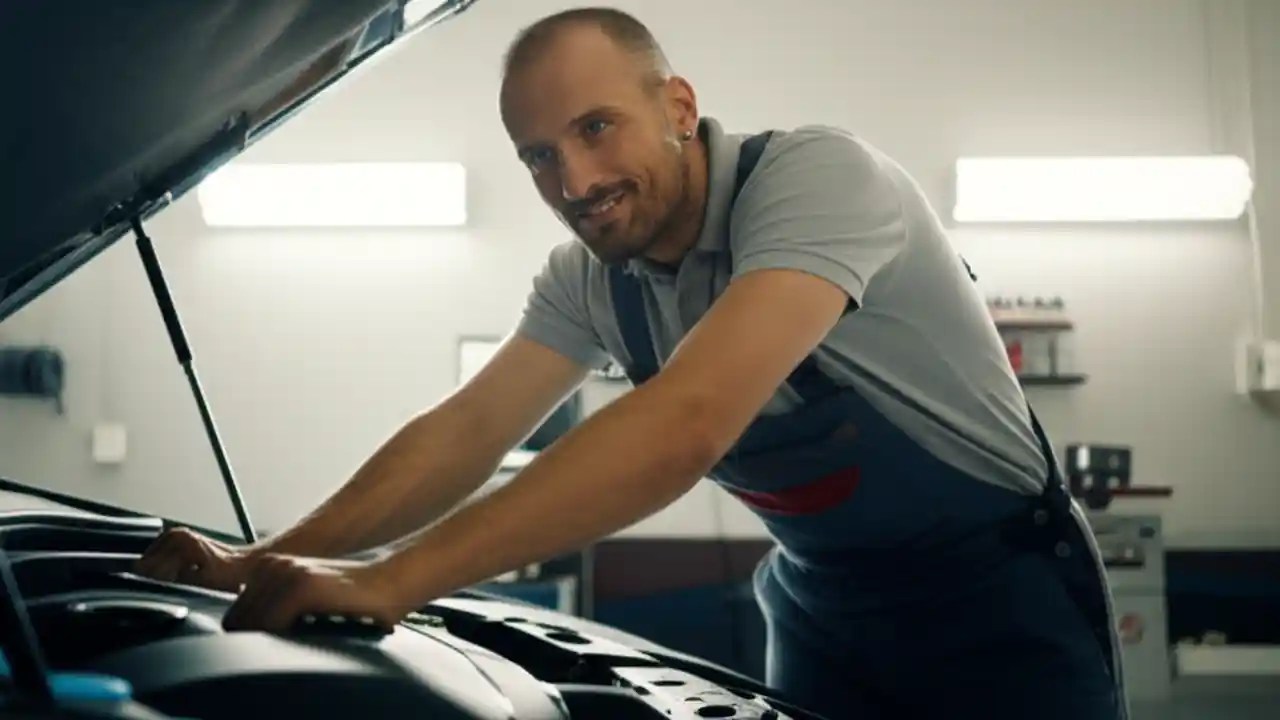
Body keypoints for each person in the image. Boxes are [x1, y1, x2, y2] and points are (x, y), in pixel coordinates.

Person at [137, 8, 1128, 719]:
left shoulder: (818, 180)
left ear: (679, 105)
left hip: (998, 605)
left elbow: (688, 421)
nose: (572, 181)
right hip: (824, 606)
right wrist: (261, 561)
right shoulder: (588, 281)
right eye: (536, 156)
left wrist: (391, 582)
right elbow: (465, 432)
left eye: (594, 127)